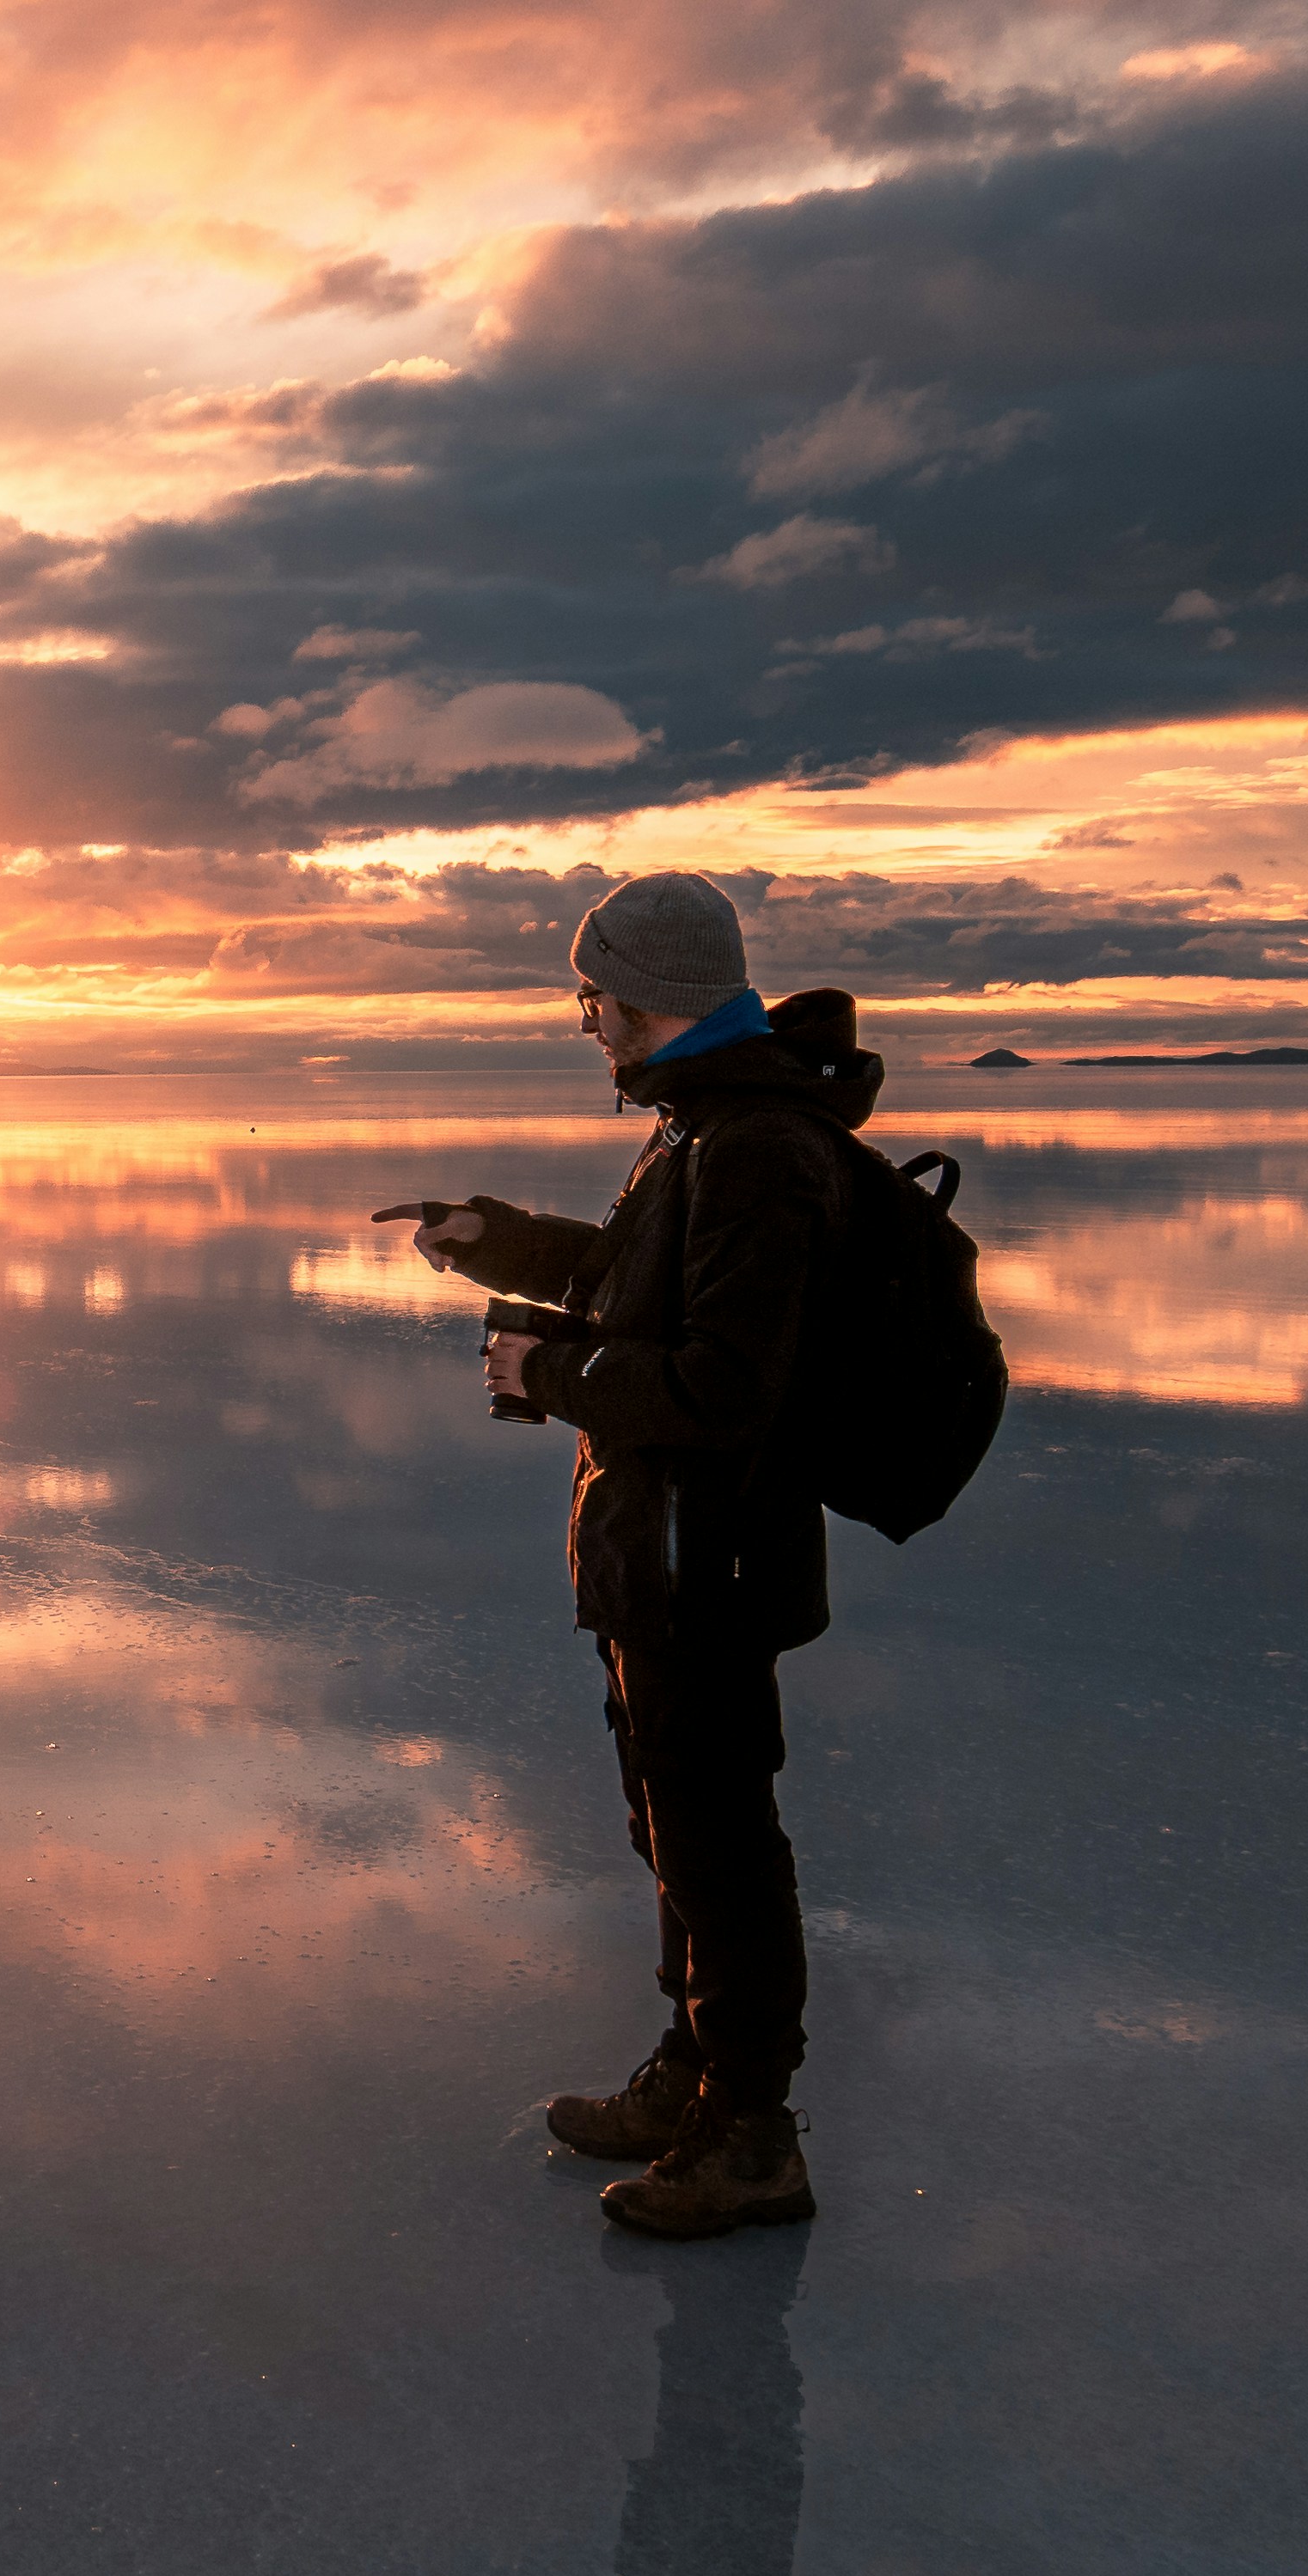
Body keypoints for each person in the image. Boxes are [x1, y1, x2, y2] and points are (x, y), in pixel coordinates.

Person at [413, 871, 880, 2241]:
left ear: (649, 993)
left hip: (710, 1561)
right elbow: (635, 1283)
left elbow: (725, 1385)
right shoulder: (698, 1131)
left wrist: (547, 1371)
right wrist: (491, 1240)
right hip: (659, 1556)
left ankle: (751, 2129)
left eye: (592, 996)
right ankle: (692, 2072)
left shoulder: (756, 1151)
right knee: (672, 1826)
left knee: (722, 1840)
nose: (586, 1021)